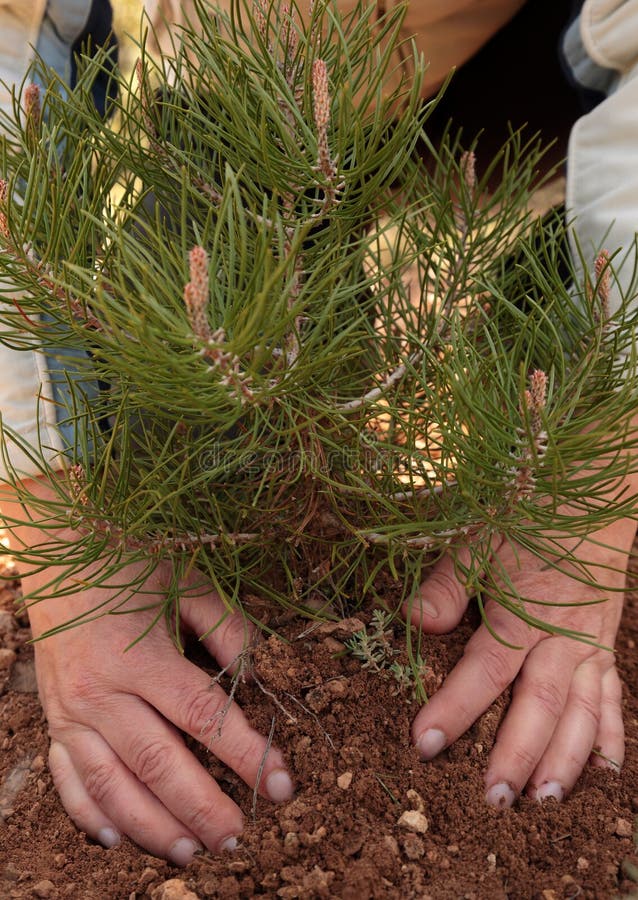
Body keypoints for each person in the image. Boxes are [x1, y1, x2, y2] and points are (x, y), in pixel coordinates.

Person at [1, 0, 637, 866]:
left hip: (544, 58)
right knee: (197, 444)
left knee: (559, 317)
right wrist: (59, 526)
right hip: (241, 79)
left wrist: (596, 475)